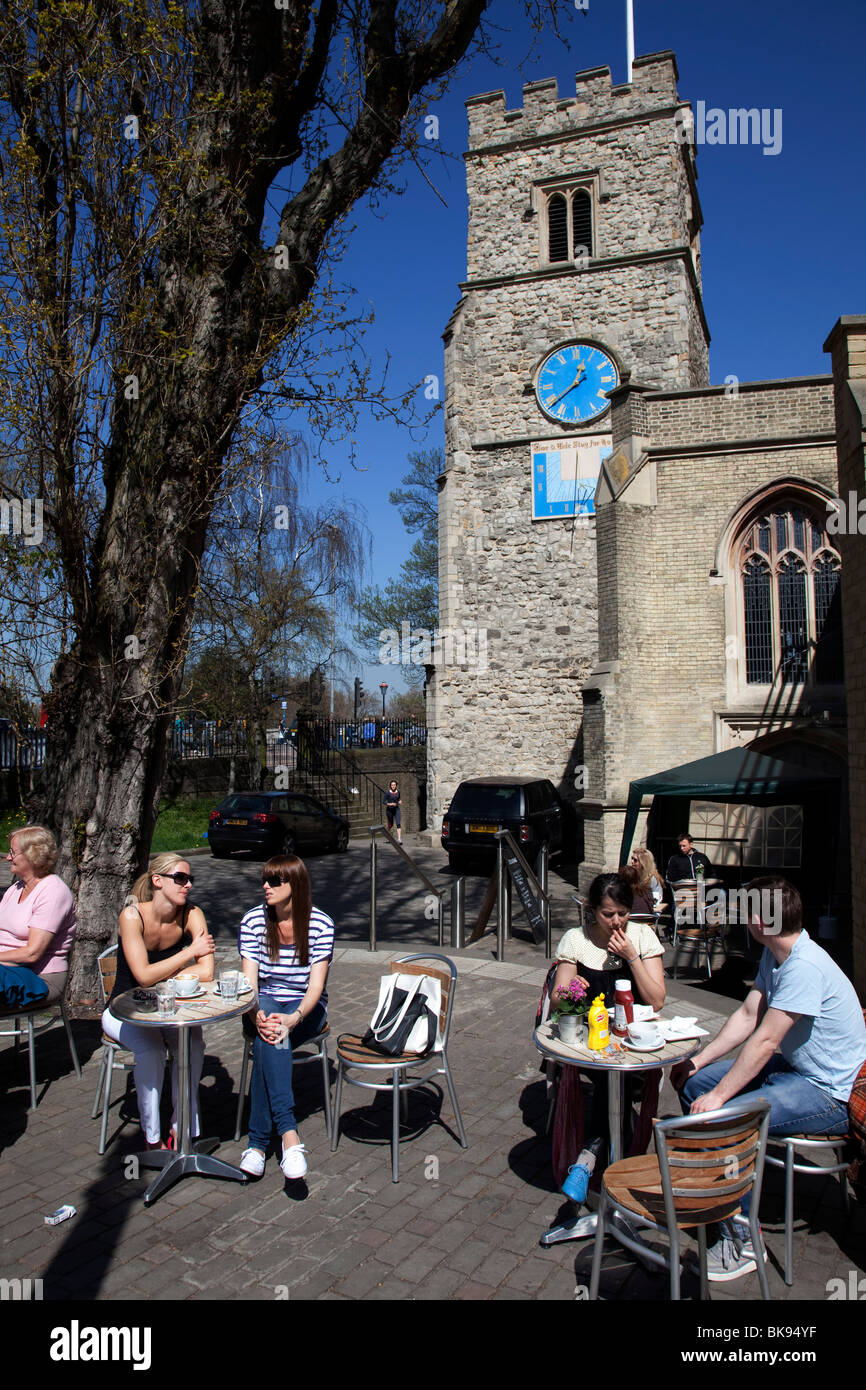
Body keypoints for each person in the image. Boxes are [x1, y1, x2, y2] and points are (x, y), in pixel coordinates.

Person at [672, 876, 866, 1282]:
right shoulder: (776, 956)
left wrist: (722, 1099)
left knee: (724, 1116)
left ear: (761, 920)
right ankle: (719, 1185)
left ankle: (742, 1240)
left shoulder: (804, 966)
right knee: (695, 1087)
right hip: (799, 1071)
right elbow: (748, 1016)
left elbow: (765, 1041)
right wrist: (699, 1062)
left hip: (829, 1092)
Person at [549, 873, 666, 1192]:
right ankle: (622, 1170)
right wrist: (572, 989)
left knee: (620, 1076)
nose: (617, 922)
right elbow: (557, 999)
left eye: (623, 914)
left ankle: (590, 1156)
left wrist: (633, 958)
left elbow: (656, 1000)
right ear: (592, 911)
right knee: (613, 1077)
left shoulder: (641, 937)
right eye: (608, 914)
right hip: (591, 1041)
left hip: (633, 1041)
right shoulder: (577, 940)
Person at [103, 854, 214, 1150]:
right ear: (158, 881)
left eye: (190, 879)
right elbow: (141, 976)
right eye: (180, 878)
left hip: (168, 1007)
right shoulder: (132, 916)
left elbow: (207, 971)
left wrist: (164, 977)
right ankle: (152, 1139)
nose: (188, 885)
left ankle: (182, 1127)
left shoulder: (192, 914)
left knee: (192, 1044)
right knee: (151, 1051)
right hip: (125, 1010)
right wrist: (188, 953)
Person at [237, 854, 334, 1181]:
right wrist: (255, 1014)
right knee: (271, 1030)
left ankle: (258, 1145)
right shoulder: (253, 921)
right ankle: (289, 1138)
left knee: (275, 1032)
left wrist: (293, 1018)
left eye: (274, 881)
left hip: (306, 1007)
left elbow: (316, 986)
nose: (265, 886)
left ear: (295, 885)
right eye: (265, 879)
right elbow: (249, 985)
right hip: (262, 1002)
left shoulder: (320, 923)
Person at [0, 825, 76, 1004]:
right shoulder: (16, 889)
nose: (8, 857)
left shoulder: (53, 891)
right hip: (7, 971)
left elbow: (32, 953)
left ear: (32, 856)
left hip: (39, 977)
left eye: (13, 852)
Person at [630, 847, 665, 911]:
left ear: (643, 863)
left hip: (649, 912)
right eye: (632, 858)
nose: (632, 862)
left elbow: (657, 898)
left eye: (635, 860)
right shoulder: (631, 875)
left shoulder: (652, 879)